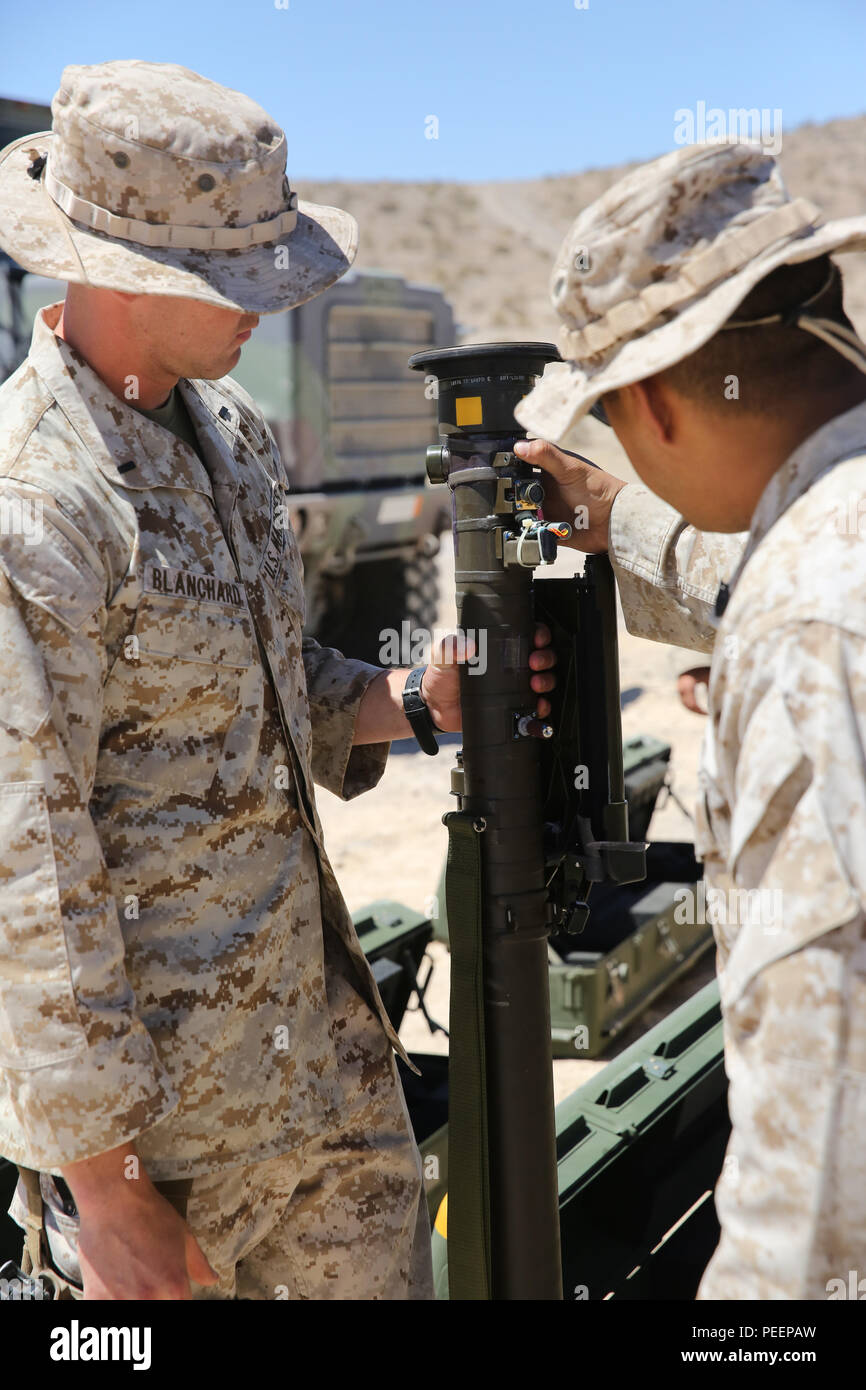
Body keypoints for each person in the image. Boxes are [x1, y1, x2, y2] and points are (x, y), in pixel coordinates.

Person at [0, 58, 558, 1301]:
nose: (272, 306)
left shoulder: (228, 429)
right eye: (238, 279)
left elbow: (268, 683)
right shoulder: (36, 501)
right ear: (129, 274)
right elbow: (24, 863)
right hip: (170, 1155)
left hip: (320, 1088)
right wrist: (111, 1193)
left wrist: (410, 700)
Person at [513, 140, 866, 1299]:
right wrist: (623, 518)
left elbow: (820, 1158)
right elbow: (771, 559)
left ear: (654, 400)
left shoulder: (810, 630)